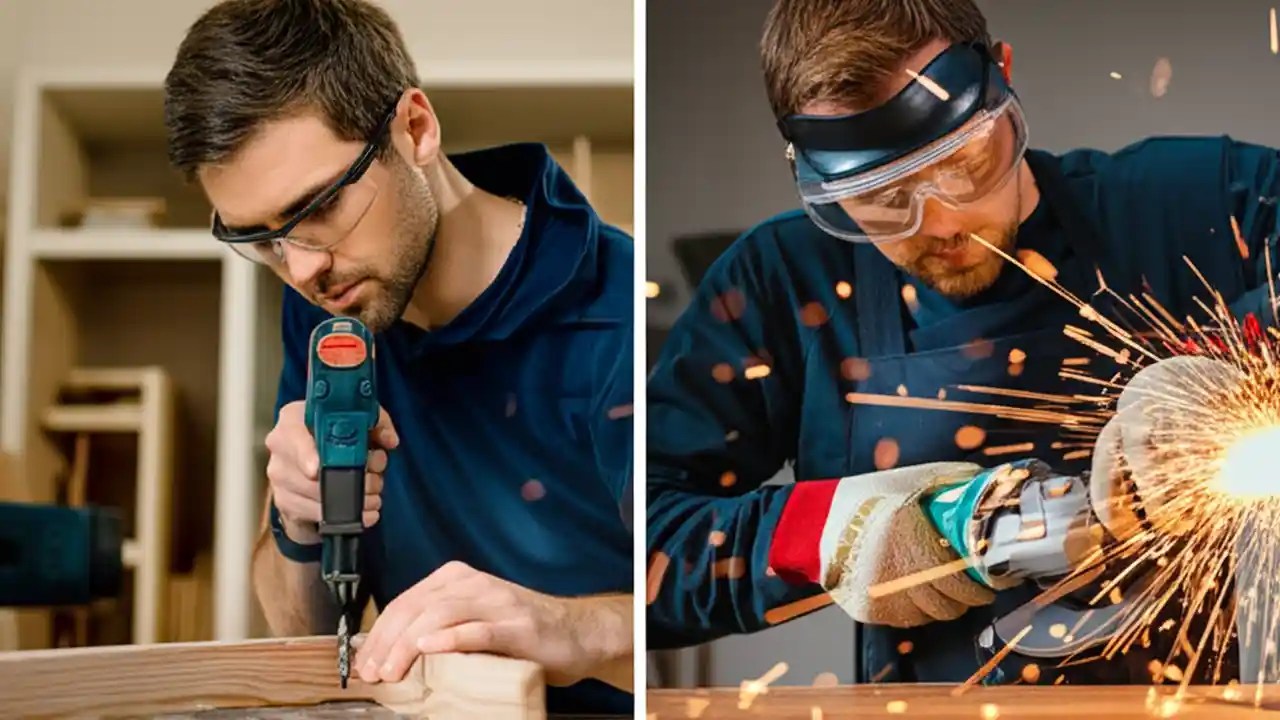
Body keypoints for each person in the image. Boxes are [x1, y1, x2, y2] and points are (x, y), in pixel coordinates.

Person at [646, 0, 1280, 685]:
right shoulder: (785, 284)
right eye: (885, 199)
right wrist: (833, 534)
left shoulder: (1195, 204)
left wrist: (1231, 370)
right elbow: (645, 543)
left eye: (962, 164)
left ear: (1002, 77)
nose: (943, 224)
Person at [163, 0, 634, 713]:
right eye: (259, 238)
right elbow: (303, 633)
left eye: (319, 206)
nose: (299, 269)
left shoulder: (618, 311)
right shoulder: (327, 307)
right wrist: (299, 525)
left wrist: (572, 628)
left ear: (415, 128)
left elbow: (713, 612)